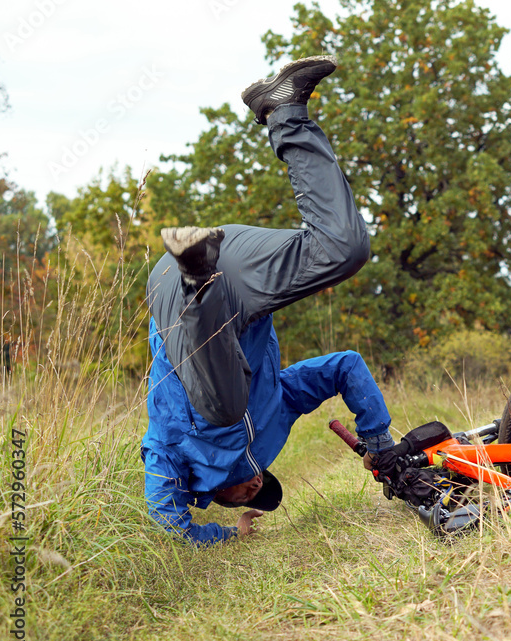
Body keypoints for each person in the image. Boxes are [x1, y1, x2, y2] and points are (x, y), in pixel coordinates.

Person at [141, 55, 401, 545]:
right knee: (344, 250)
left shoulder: (170, 457)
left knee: (220, 404)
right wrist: (378, 440)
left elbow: (168, 523)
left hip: (172, 296)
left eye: (246, 498)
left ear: (218, 496)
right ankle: (284, 109)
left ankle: (197, 274)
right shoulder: (277, 410)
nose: (257, 489)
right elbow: (346, 365)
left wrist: (224, 535)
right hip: (220, 268)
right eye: (264, 491)